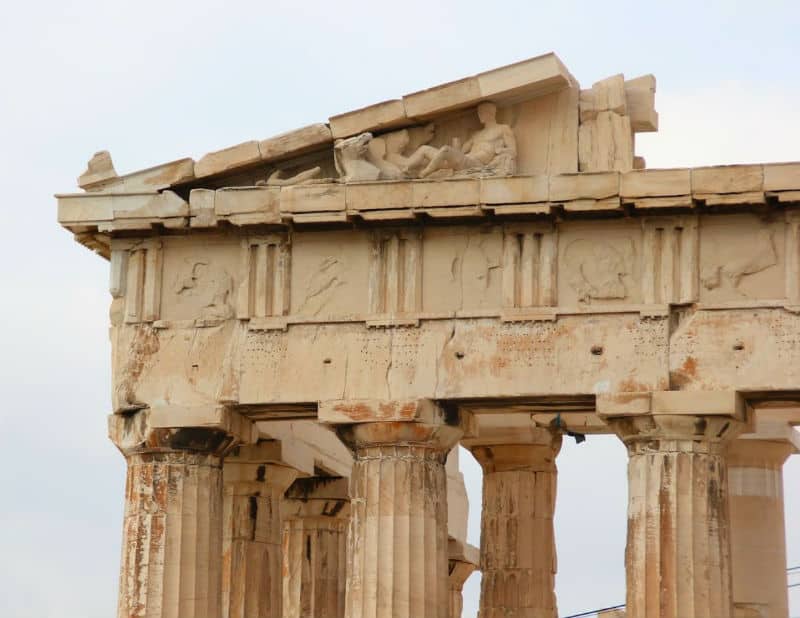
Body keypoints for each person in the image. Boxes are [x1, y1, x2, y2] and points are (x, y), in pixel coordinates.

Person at [402, 102, 516, 178]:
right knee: (424, 149)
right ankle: (404, 170)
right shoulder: (476, 134)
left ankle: (425, 173)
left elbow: (513, 151)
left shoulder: (503, 128)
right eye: (479, 113)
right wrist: (457, 146)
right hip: (463, 160)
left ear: (491, 113)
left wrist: (497, 151)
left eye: (482, 112)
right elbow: (461, 152)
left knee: (445, 150)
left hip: (475, 164)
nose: (479, 115)